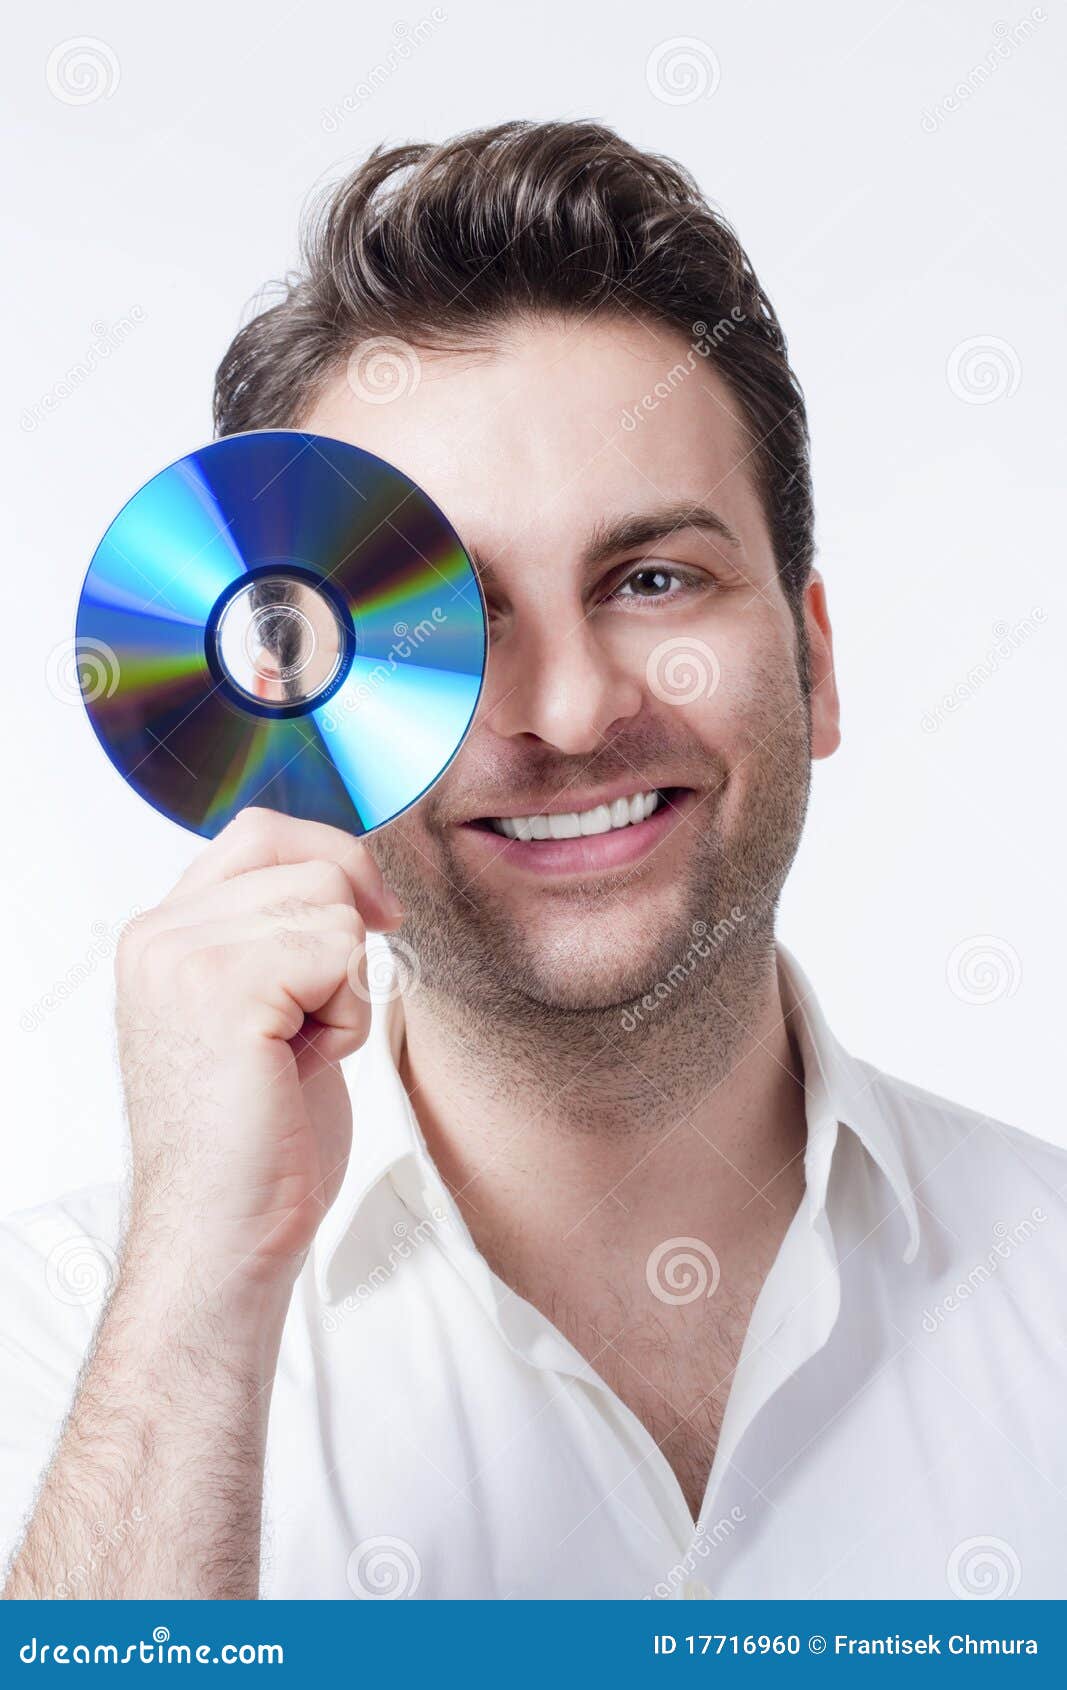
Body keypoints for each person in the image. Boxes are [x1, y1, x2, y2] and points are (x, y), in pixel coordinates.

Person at [3, 120, 1063, 1603]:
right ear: (290, 705)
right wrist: (196, 1294)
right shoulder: (64, 1353)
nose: (569, 712)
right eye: (451, 617)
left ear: (815, 663)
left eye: (654, 579)